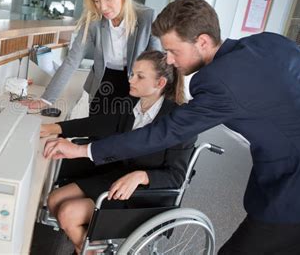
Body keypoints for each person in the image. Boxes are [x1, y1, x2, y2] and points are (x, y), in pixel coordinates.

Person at [43, 0, 300, 254]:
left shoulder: (219, 82)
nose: (169, 60)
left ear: (202, 41)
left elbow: (164, 133)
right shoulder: (268, 43)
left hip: (294, 189)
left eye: (173, 51)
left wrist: (82, 150)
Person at [41, 51, 196, 255]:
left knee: (68, 213)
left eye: (140, 76)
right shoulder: (132, 104)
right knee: (54, 200)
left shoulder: (178, 121)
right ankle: (91, 250)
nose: (130, 79)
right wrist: (55, 128)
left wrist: (141, 176)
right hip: (118, 178)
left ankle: (89, 250)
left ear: (160, 83)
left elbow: (177, 177)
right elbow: (98, 124)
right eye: (132, 73)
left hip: (146, 194)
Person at [21, 0, 160, 115]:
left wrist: (156, 100)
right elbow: (72, 60)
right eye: (97, 1)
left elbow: (158, 63)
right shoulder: (93, 20)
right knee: (96, 130)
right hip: (102, 80)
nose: (103, 7)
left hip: (135, 82)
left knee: (122, 133)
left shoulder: (146, 18)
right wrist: (46, 100)